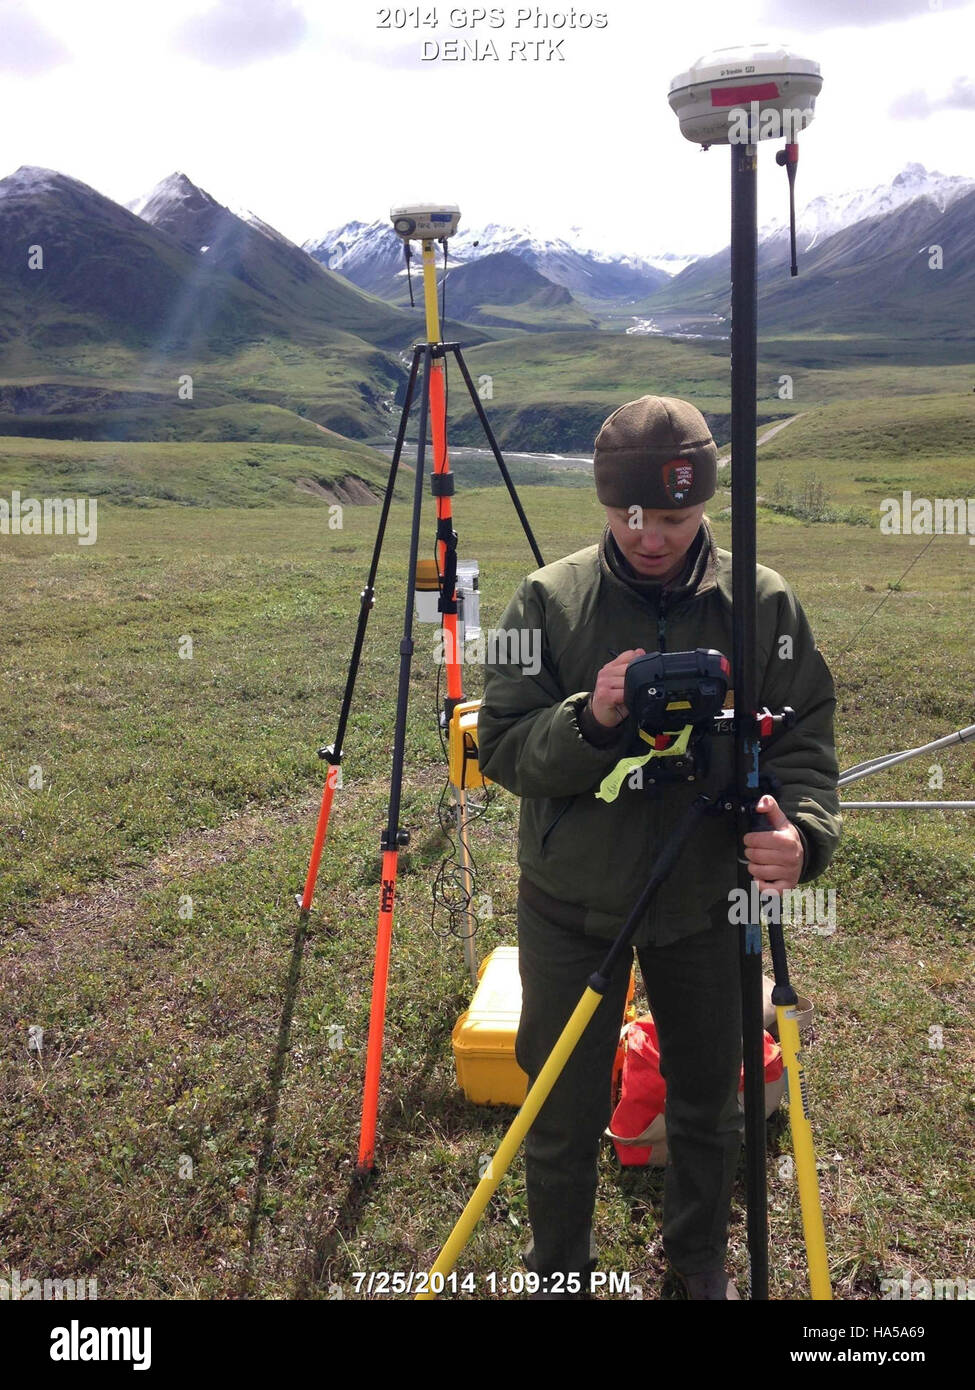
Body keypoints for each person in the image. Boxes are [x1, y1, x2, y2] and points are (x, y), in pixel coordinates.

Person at [475, 394, 841, 1300]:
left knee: (710, 1101)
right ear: (603, 505)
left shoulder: (760, 602)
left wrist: (803, 834)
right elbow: (502, 748)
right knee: (559, 1105)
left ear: (705, 505)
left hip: (709, 898)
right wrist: (592, 718)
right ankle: (559, 1270)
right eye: (629, 517)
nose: (650, 538)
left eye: (675, 519)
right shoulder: (546, 599)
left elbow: (803, 739)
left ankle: (698, 1264)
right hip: (571, 900)